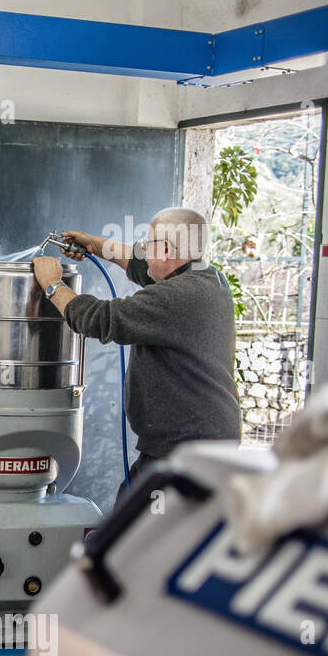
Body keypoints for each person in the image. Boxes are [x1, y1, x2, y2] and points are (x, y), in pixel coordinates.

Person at [32, 207, 241, 498]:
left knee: (141, 531)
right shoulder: (204, 278)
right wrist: (95, 244)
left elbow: (99, 318)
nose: (142, 249)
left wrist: (53, 284)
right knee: (134, 521)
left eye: (148, 243)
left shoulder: (177, 297)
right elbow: (142, 264)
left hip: (186, 451)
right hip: (193, 443)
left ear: (166, 249)